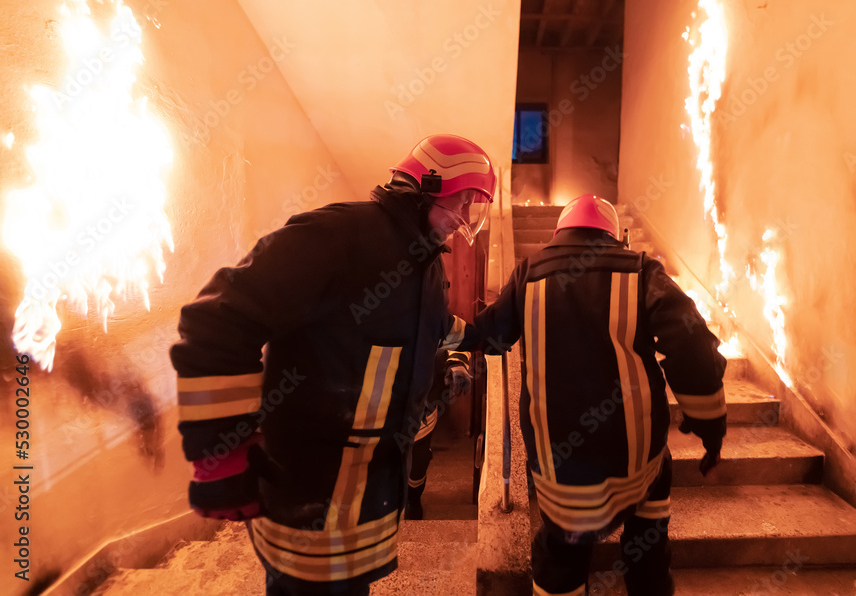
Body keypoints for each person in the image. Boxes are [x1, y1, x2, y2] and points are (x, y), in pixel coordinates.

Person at [169, 134, 496, 595]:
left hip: (361, 512)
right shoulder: (339, 237)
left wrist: (491, 332)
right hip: (309, 505)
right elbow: (217, 322)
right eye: (462, 201)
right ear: (428, 184)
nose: (463, 219)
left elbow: (437, 325)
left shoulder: (426, 263)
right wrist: (221, 455)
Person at [458, 195, 727, 596]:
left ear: (558, 234)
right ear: (613, 235)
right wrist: (709, 427)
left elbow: (491, 335)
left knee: (562, 557)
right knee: (648, 543)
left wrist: (444, 337)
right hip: (638, 457)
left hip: (559, 461)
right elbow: (691, 343)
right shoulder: (642, 271)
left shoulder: (528, 274)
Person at [404, 348, 473, 520]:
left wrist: (457, 365)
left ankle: (413, 500)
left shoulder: (427, 324)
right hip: (382, 421)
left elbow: (456, 342)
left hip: (421, 421)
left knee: (417, 466)